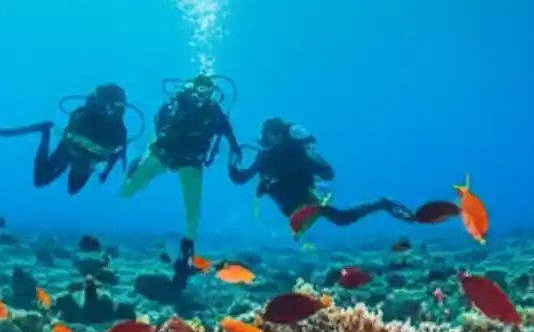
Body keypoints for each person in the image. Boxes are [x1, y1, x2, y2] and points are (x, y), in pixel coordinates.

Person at [229, 117, 415, 235]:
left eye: (277, 134)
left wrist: (234, 163)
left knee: (341, 219)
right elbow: (241, 178)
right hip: (295, 205)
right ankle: (381, 204)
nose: (274, 139)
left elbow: (327, 173)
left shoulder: (296, 153)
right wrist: (233, 161)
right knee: (338, 219)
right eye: (271, 135)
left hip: (307, 199)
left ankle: (382, 204)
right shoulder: (266, 157)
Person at [121, 73, 241, 240]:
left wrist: (235, 147)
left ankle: (189, 243)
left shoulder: (213, 110)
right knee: (130, 187)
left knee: (193, 206)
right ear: (192, 89)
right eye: (201, 91)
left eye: (209, 92)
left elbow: (226, 129)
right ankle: (133, 173)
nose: (205, 96)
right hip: (165, 153)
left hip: (191, 159)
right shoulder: (180, 102)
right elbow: (163, 124)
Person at [0, 83, 134, 194]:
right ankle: (45, 130)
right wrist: (107, 168)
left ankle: (46, 130)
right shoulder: (84, 119)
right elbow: (115, 152)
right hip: (69, 150)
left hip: (78, 153)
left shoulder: (119, 131)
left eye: (119, 108)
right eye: (111, 107)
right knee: (40, 181)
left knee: (70, 189)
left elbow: (117, 152)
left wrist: (108, 170)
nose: (114, 111)